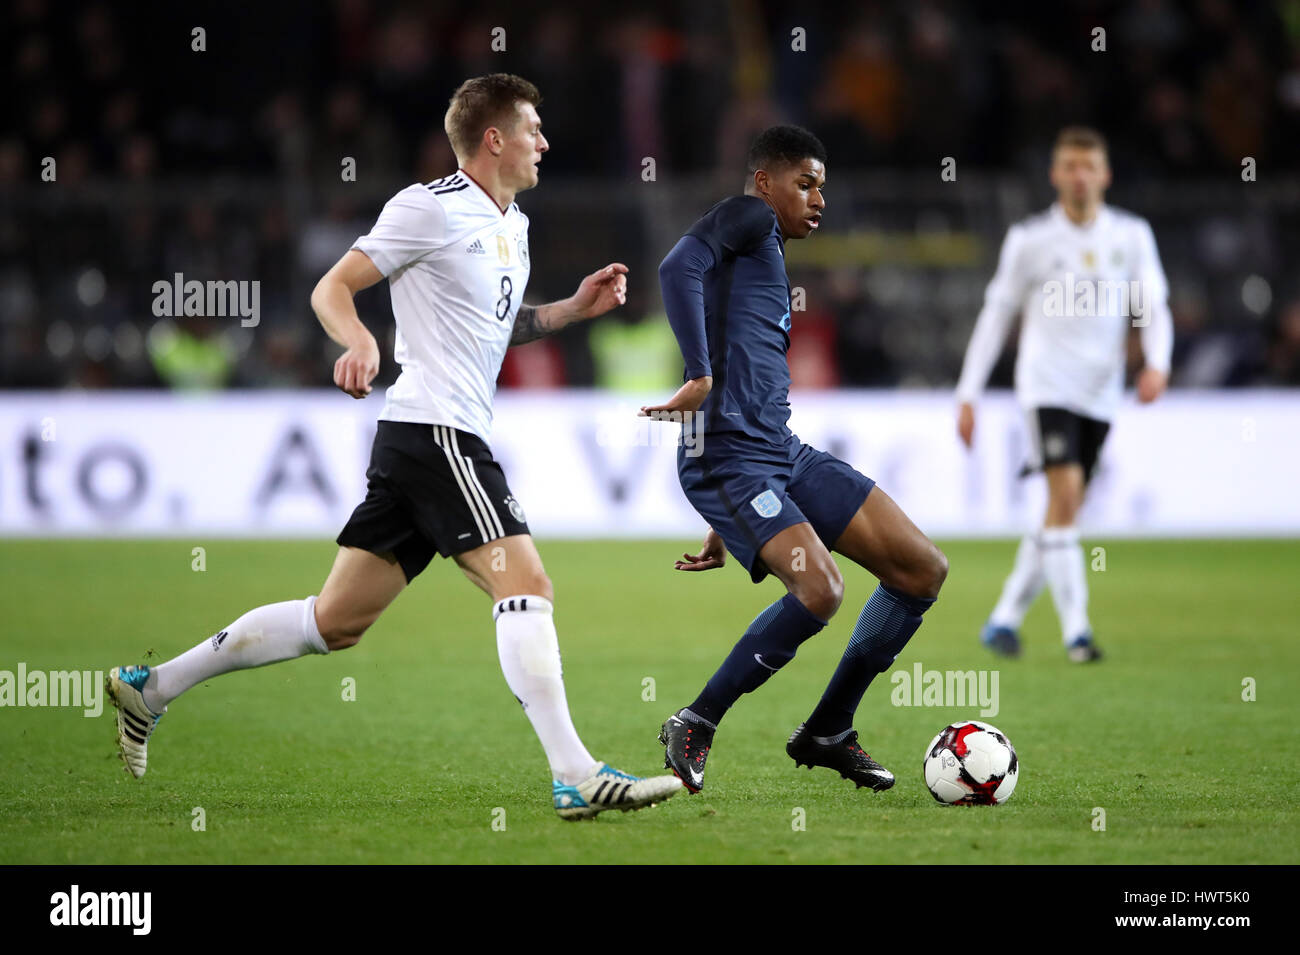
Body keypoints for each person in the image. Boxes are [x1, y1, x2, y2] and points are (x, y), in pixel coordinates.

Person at [107, 73, 682, 820]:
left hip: (425, 439)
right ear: (494, 138)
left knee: (333, 621)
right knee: (527, 583)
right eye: (533, 128)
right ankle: (573, 771)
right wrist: (359, 343)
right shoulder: (427, 207)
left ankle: (150, 688)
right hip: (435, 431)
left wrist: (571, 308)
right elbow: (331, 288)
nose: (545, 141)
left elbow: (495, 325)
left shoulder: (516, 224)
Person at [646, 125, 948, 794]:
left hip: (775, 453)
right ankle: (696, 719)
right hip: (726, 454)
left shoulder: (766, 250)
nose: (818, 198)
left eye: (823, 187)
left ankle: (829, 729)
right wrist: (697, 375)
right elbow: (676, 267)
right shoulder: (749, 216)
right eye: (805, 183)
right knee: (821, 589)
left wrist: (733, 521)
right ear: (765, 183)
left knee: (920, 568)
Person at [955, 126, 1173, 663]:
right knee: (1068, 494)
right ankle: (1078, 633)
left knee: (1060, 508)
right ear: (1055, 175)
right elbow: (996, 314)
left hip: (1102, 393)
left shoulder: (1130, 235)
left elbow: (1154, 306)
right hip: (1045, 386)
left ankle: (1004, 617)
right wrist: (968, 393)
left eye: (1088, 166)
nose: (1079, 176)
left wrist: (1158, 363)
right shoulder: (1030, 239)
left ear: (1105, 175)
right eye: (1069, 166)